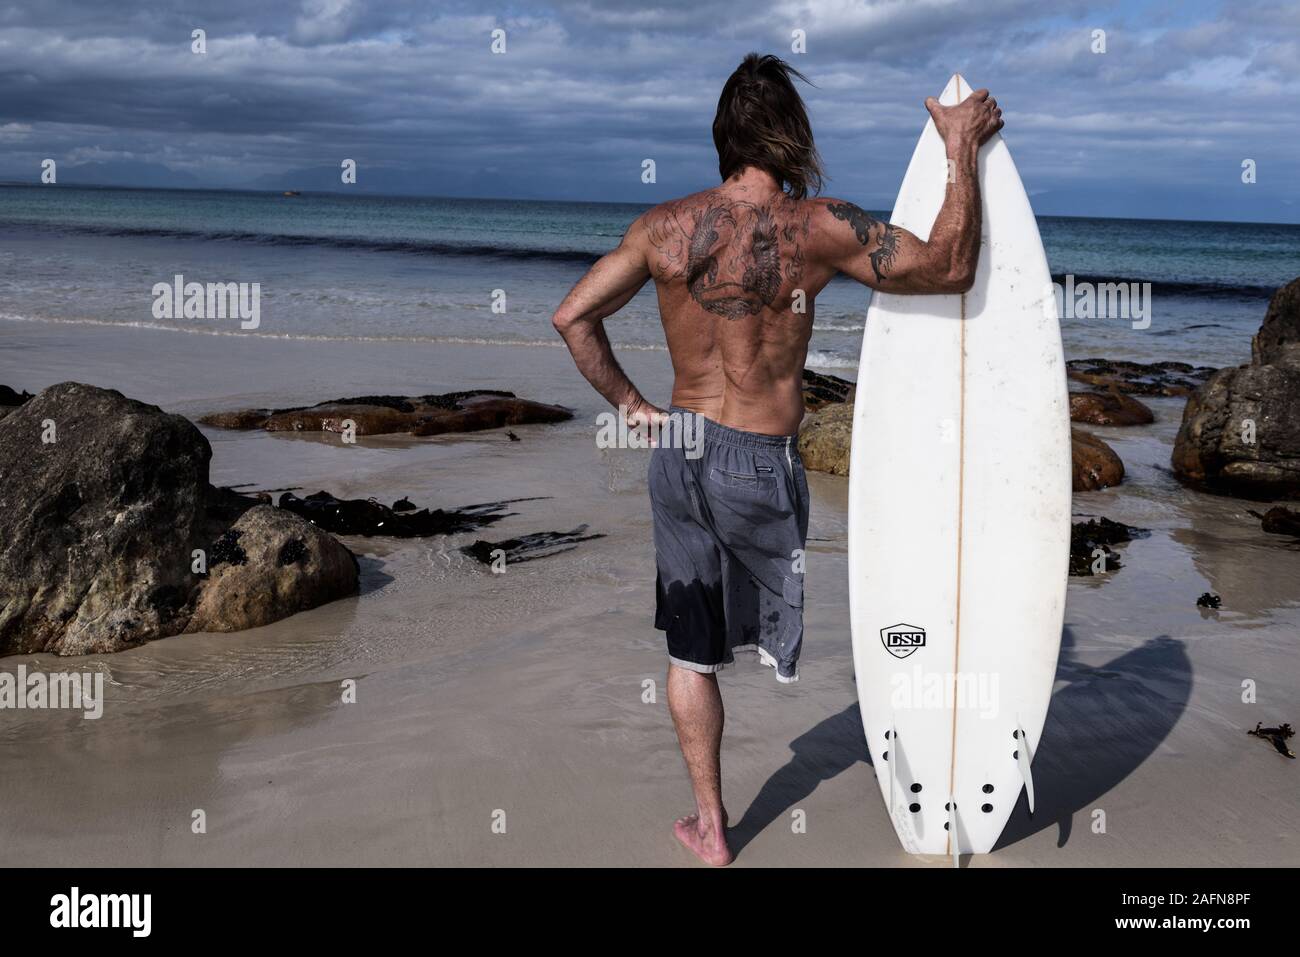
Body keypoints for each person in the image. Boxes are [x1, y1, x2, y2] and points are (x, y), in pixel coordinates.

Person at [551, 53, 1003, 865]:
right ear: (791, 135)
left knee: (690, 650)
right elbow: (950, 265)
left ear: (724, 137)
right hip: (761, 458)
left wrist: (632, 407)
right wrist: (958, 147)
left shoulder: (662, 230)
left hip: (680, 447)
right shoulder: (818, 226)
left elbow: (572, 316)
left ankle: (711, 825)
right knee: (801, 630)